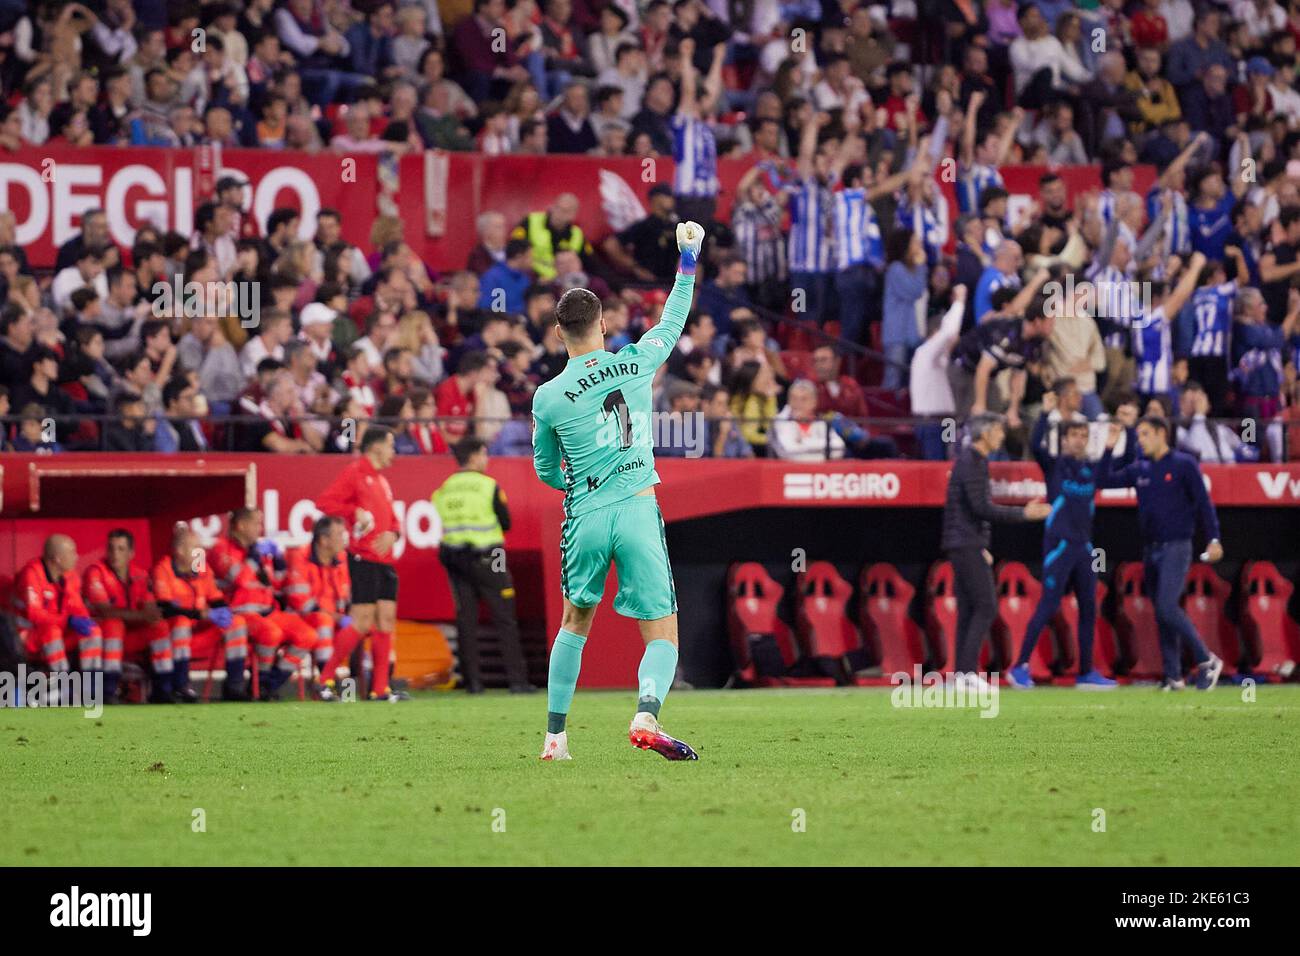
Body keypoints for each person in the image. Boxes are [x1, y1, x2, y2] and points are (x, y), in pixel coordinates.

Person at [530, 220, 705, 762]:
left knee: (574, 622)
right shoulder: (633, 360)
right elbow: (673, 319)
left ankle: (556, 739)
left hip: (584, 515)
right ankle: (646, 714)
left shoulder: (548, 397)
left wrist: (578, 483)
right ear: (603, 325)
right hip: (635, 508)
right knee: (661, 632)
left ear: (559, 333)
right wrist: (687, 260)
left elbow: (544, 469)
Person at [1097, 415, 1226, 691]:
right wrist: (1109, 447)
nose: (1140, 441)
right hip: (1151, 549)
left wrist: (1214, 538)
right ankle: (1173, 676)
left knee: (1167, 607)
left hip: (1176, 546)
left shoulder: (1184, 465)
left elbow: (1204, 504)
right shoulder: (1140, 468)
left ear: (1160, 434)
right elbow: (1103, 480)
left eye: (1144, 434)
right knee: (1162, 612)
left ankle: (1207, 659)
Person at [1005, 413, 1118, 690]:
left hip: (1085, 548)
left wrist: (1110, 446)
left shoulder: (1091, 470)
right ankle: (1019, 666)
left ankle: (1086, 673)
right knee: (1049, 604)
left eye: (1083, 436)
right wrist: (1043, 414)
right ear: (1064, 440)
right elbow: (1035, 443)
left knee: (1089, 608)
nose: (1079, 440)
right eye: (1074, 435)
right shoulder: (1054, 466)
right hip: (1059, 548)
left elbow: (1109, 475)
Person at [940, 413, 1051, 690]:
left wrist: (982, 544)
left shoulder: (971, 461)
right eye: (998, 430)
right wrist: (1024, 514)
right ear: (985, 433)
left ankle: (962, 674)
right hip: (965, 543)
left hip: (965, 543)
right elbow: (982, 509)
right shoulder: (972, 462)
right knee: (987, 606)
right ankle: (966, 674)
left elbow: (972, 511)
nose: (1002, 436)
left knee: (969, 608)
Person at [432, 437, 533, 694]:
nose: (486, 459)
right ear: (475, 456)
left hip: (455, 558)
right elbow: (506, 522)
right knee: (504, 617)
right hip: (490, 557)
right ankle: (517, 681)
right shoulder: (488, 486)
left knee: (466, 619)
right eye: (484, 454)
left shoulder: (444, 489)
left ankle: (473, 683)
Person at [315, 426, 402, 701]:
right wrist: (354, 512)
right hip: (363, 557)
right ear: (376, 447)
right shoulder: (356, 472)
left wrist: (393, 533)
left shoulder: (382, 481)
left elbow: (393, 519)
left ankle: (380, 689)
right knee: (362, 622)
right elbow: (325, 503)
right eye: (391, 445)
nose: (394, 452)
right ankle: (324, 679)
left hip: (385, 560)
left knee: (385, 621)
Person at [209, 507, 319, 701]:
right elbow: (239, 579)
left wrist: (278, 561)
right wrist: (253, 558)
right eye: (256, 523)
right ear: (241, 525)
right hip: (239, 613)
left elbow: (275, 582)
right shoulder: (221, 548)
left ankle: (269, 684)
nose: (260, 529)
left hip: (268, 611)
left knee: (308, 635)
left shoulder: (258, 550)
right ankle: (258, 684)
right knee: (271, 633)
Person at [151, 524, 251, 702]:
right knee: (181, 622)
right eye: (195, 548)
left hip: (199, 633)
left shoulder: (201, 567)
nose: (200, 552)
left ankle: (234, 686)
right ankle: (181, 685)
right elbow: (165, 609)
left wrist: (223, 610)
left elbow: (215, 597)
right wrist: (203, 614)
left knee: (237, 622)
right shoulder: (163, 569)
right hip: (174, 638)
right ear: (180, 551)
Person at [13, 535, 109, 704]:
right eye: (72, 552)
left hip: (54, 637)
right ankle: (63, 687)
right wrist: (67, 621)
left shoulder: (69, 576)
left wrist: (84, 620)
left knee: (92, 630)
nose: (76, 556)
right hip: (25, 640)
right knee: (52, 630)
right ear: (57, 558)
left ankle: (91, 688)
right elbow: (33, 614)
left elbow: (78, 608)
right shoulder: (32, 573)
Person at [84, 529, 170, 703]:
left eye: (121, 549)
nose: (115, 554)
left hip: (129, 638)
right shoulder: (96, 572)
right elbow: (105, 611)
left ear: (131, 553)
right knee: (113, 624)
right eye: (111, 548)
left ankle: (163, 689)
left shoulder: (140, 575)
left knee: (160, 626)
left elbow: (150, 610)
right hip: (99, 640)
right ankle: (108, 690)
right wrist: (141, 615)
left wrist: (147, 615)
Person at [284, 516, 360, 700]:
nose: (344, 539)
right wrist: (338, 618)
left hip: (335, 619)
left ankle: (352, 692)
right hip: (304, 619)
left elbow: (348, 595)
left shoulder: (341, 559)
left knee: (361, 628)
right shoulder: (300, 557)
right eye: (340, 535)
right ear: (324, 540)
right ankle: (326, 684)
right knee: (324, 622)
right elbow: (302, 603)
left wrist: (351, 616)